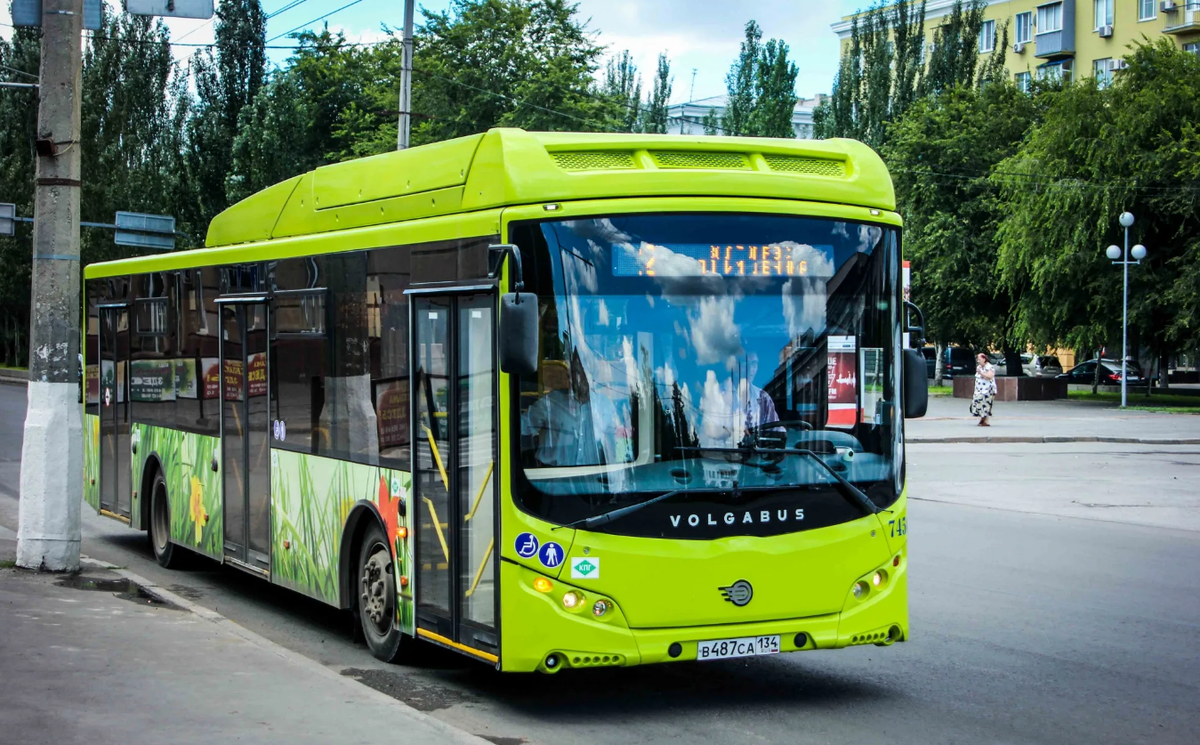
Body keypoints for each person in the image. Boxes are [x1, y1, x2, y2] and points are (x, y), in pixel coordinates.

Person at [970, 352, 997, 427]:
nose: (978, 361)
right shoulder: (979, 367)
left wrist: (982, 373)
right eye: (977, 359)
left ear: (984, 359)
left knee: (985, 405)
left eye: (979, 359)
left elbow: (990, 376)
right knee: (978, 404)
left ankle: (984, 421)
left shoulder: (989, 367)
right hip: (979, 390)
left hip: (988, 390)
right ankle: (984, 420)